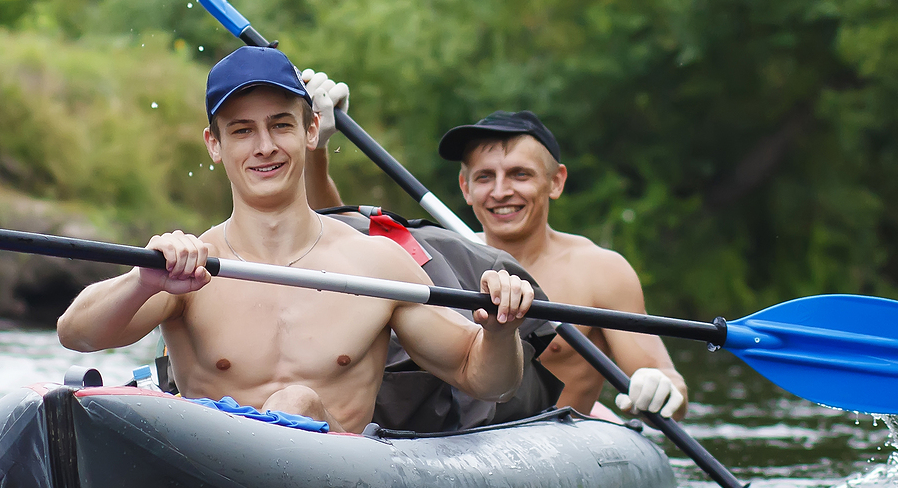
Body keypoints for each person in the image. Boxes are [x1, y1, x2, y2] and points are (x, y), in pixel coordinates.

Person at [56, 46, 536, 433]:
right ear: (214, 145)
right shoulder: (191, 268)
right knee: (291, 404)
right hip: (212, 485)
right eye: (242, 131)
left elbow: (484, 379)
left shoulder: (375, 265)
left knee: (298, 403)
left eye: (280, 125)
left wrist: (500, 330)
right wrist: (143, 282)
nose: (264, 147)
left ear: (310, 131)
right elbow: (76, 334)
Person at [299, 74, 688, 422]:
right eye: (485, 177)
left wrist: (658, 388)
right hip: (457, 438)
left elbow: (672, 386)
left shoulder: (601, 271)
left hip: (555, 449)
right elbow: (334, 233)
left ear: (556, 182)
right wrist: (318, 148)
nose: (501, 192)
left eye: (520, 174)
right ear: (466, 188)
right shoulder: (440, 260)